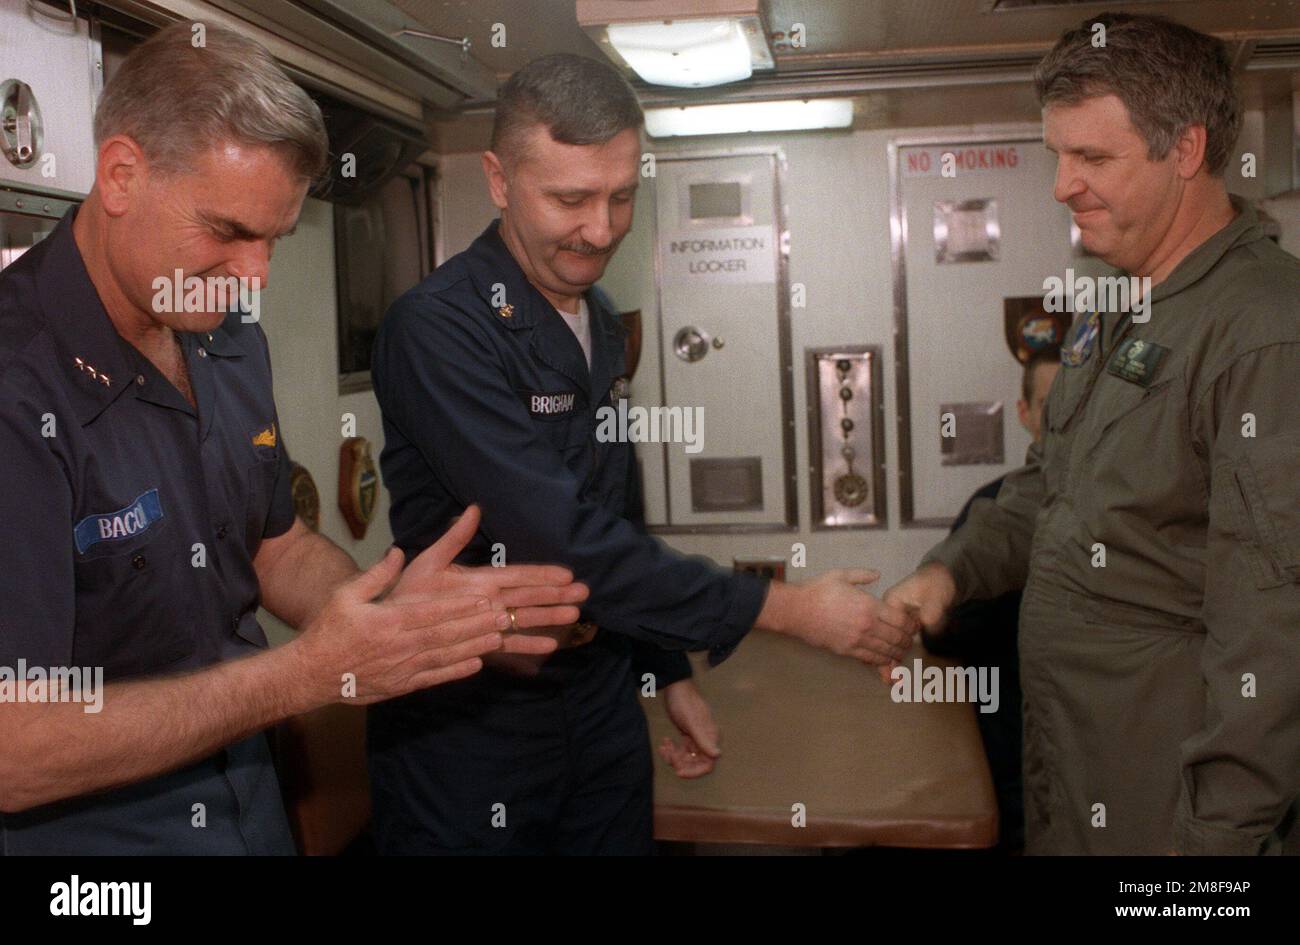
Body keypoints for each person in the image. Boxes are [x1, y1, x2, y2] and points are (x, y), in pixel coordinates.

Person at [0, 22, 586, 855]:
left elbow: (274, 545)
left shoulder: (227, 337)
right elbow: (13, 748)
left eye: (272, 239)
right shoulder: (18, 385)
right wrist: (305, 674)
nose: (257, 277)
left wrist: (392, 613)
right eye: (228, 231)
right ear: (122, 174)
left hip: (250, 811)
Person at [368, 53, 916, 855]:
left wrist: (667, 672)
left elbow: (615, 512)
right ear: (497, 179)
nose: (601, 230)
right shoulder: (439, 328)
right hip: (471, 715)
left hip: (596, 694)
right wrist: (791, 610)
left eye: (621, 196)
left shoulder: (596, 316)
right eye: (570, 199)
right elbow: (558, 536)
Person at [886, 12, 1300, 855]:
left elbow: (1273, 634)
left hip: (1172, 804)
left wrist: (1219, 848)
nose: (1061, 185)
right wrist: (949, 572)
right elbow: (1051, 485)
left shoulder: (1262, 331)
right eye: (1058, 155)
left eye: (1093, 157)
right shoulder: (1116, 306)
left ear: (1186, 150)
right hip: (1077, 766)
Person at [922, 350, 1059, 852]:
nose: (1062, 420)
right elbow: (943, 635)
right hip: (1012, 748)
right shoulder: (995, 508)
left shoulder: (1127, 510)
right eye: (1049, 405)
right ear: (1024, 414)